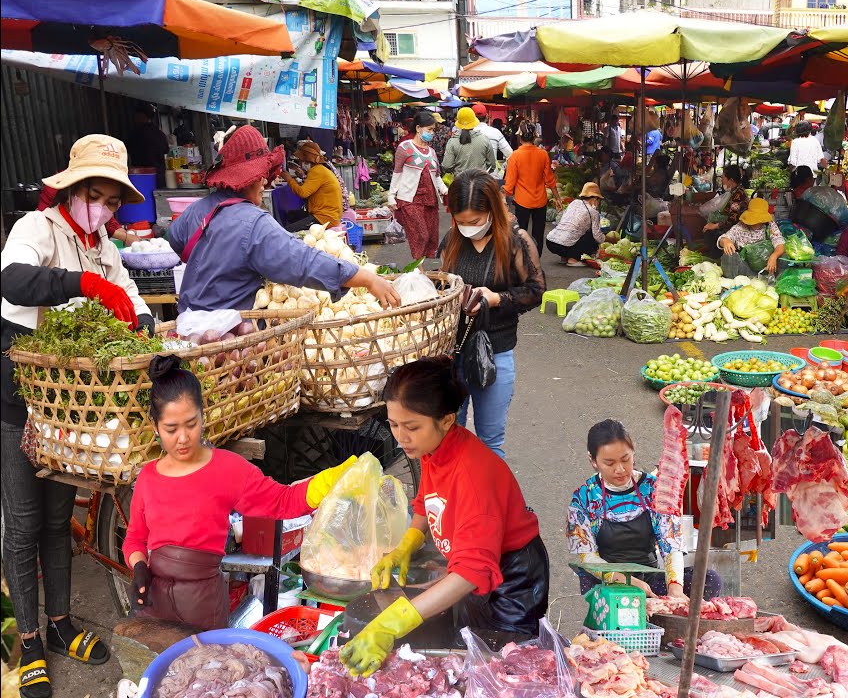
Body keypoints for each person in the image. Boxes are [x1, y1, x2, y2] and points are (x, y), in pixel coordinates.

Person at [1, 135, 154, 698]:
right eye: (97, 196)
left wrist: (142, 322)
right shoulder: (37, 229)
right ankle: (31, 639)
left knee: (58, 518)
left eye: (114, 201)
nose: (106, 209)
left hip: (72, 405)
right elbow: (11, 280)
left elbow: (129, 292)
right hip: (18, 397)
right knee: (21, 524)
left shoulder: (103, 246)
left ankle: (62, 623)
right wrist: (80, 284)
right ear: (71, 189)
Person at [340, 357, 549, 677]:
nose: (400, 437)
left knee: (502, 668)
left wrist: (393, 623)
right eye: (393, 424)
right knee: (466, 646)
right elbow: (426, 500)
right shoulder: (432, 449)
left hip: (514, 579)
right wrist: (407, 543)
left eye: (411, 427)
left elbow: (471, 573)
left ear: (448, 420)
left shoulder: (473, 476)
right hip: (472, 563)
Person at [123, 356, 354, 630]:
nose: (183, 437)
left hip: (203, 603)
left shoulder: (228, 469)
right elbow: (135, 538)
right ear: (156, 428)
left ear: (203, 417)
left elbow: (282, 502)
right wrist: (139, 566)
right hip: (155, 604)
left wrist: (332, 480)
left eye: (191, 424)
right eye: (171, 429)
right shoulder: (148, 477)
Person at [167, 125, 398, 313]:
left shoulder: (198, 209)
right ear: (252, 179)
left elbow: (174, 239)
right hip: (227, 338)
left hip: (187, 321)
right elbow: (305, 262)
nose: (266, 183)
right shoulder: (254, 224)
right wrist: (367, 279)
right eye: (263, 176)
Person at [441, 170, 545, 457]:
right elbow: (441, 283)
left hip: (495, 353)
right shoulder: (452, 239)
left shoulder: (515, 242)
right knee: (448, 438)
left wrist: (497, 298)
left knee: (490, 443)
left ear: (491, 211)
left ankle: (490, 501)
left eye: (473, 221)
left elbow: (536, 291)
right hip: (451, 354)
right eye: (460, 222)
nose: (466, 227)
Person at [568, 420, 696, 599]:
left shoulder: (654, 489)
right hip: (609, 583)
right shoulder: (583, 499)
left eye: (625, 459)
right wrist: (625, 581)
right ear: (593, 461)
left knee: (709, 579)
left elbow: (671, 543)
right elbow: (588, 559)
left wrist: (675, 588)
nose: (619, 469)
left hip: (650, 579)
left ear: (633, 453)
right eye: (609, 463)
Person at [388, 111, 448, 260]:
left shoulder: (431, 152)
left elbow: (436, 175)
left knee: (431, 236)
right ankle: (419, 270)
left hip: (430, 200)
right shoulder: (405, 148)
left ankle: (421, 270)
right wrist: (391, 196)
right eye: (429, 130)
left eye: (433, 130)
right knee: (420, 234)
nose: (432, 133)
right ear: (418, 128)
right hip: (410, 199)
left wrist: (446, 190)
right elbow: (397, 172)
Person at [504, 123, 561, 257]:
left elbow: (509, 184)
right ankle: (536, 262)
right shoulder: (543, 154)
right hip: (540, 200)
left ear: (520, 137)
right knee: (538, 234)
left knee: (521, 232)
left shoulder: (515, 156)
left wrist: (501, 199)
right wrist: (558, 198)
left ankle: (523, 261)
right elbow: (550, 179)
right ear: (534, 136)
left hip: (522, 201)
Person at [283, 140, 344, 230]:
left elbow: (303, 193)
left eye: (300, 160)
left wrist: (289, 179)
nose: (299, 163)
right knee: (291, 215)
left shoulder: (317, 171)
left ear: (306, 160)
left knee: (288, 230)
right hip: (326, 214)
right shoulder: (319, 169)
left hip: (325, 218)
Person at [719, 197, 785, 278]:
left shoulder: (769, 225)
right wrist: (726, 241)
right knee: (729, 255)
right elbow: (725, 237)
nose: (753, 223)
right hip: (745, 268)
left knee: (783, 256)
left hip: (766, 266)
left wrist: (774, 256)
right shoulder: (741, 226)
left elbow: (780, 243)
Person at [546, 183, 606, 266]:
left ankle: (565, 257)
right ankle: (573, 259)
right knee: (591, 237)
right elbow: (597, 236)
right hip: (564, 244)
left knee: (573, 233)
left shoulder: (575, 202)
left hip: (550, 241)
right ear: (595, 198)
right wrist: (605, 239)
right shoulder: (593, 212)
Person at [442, 108, 498, 177]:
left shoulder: (452, 141)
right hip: (480, 181)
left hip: (460, 182)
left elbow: (447, 166)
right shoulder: (484, 139)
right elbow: (492, 165)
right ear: (474, 121)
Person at [125, 104, 169, 177]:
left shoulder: (136, 133)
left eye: (136, 115)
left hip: (142, 174)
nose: (134, 118)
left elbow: (126, 150)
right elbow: (166, 151)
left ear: (142, 115)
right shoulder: (160, 133)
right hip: (160, 173)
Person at [471, 104, 514, 176]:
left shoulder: (464, 134)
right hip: (491, 176)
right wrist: (501, 169)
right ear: (487, 116)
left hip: (470, 178)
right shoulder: (495, 132)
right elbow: (510, 155)